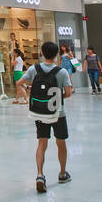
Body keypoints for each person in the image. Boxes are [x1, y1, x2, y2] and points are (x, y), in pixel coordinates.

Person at [16, 40, 72, 189]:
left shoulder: (34, 69)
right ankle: (62, 173)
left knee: (42, 143)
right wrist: (56, 97)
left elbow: (18, 82)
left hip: (39, 113)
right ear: (56, 55)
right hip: (57, 113)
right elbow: (68, 93)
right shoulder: (62, 72)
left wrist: (30, 89)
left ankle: (40, 175)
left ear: (41, 53)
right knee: (61, 143)